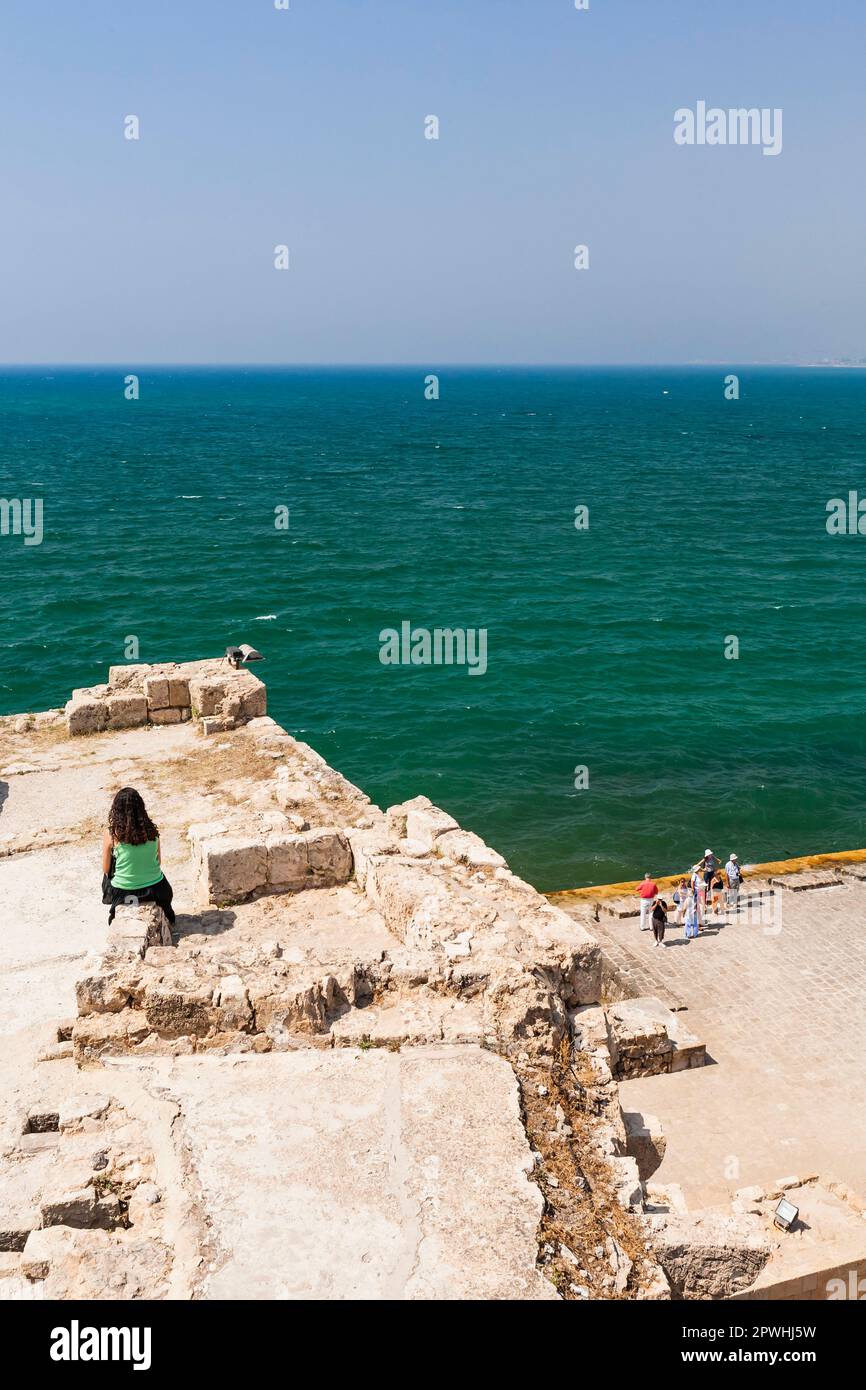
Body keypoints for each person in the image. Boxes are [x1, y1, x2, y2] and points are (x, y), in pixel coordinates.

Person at [102, 787, 175, 926]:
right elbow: (158, 862)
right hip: (156, 890)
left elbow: (105, 869)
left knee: (109, 872)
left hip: (124, 893)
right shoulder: (152, 831)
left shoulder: (112, 834)